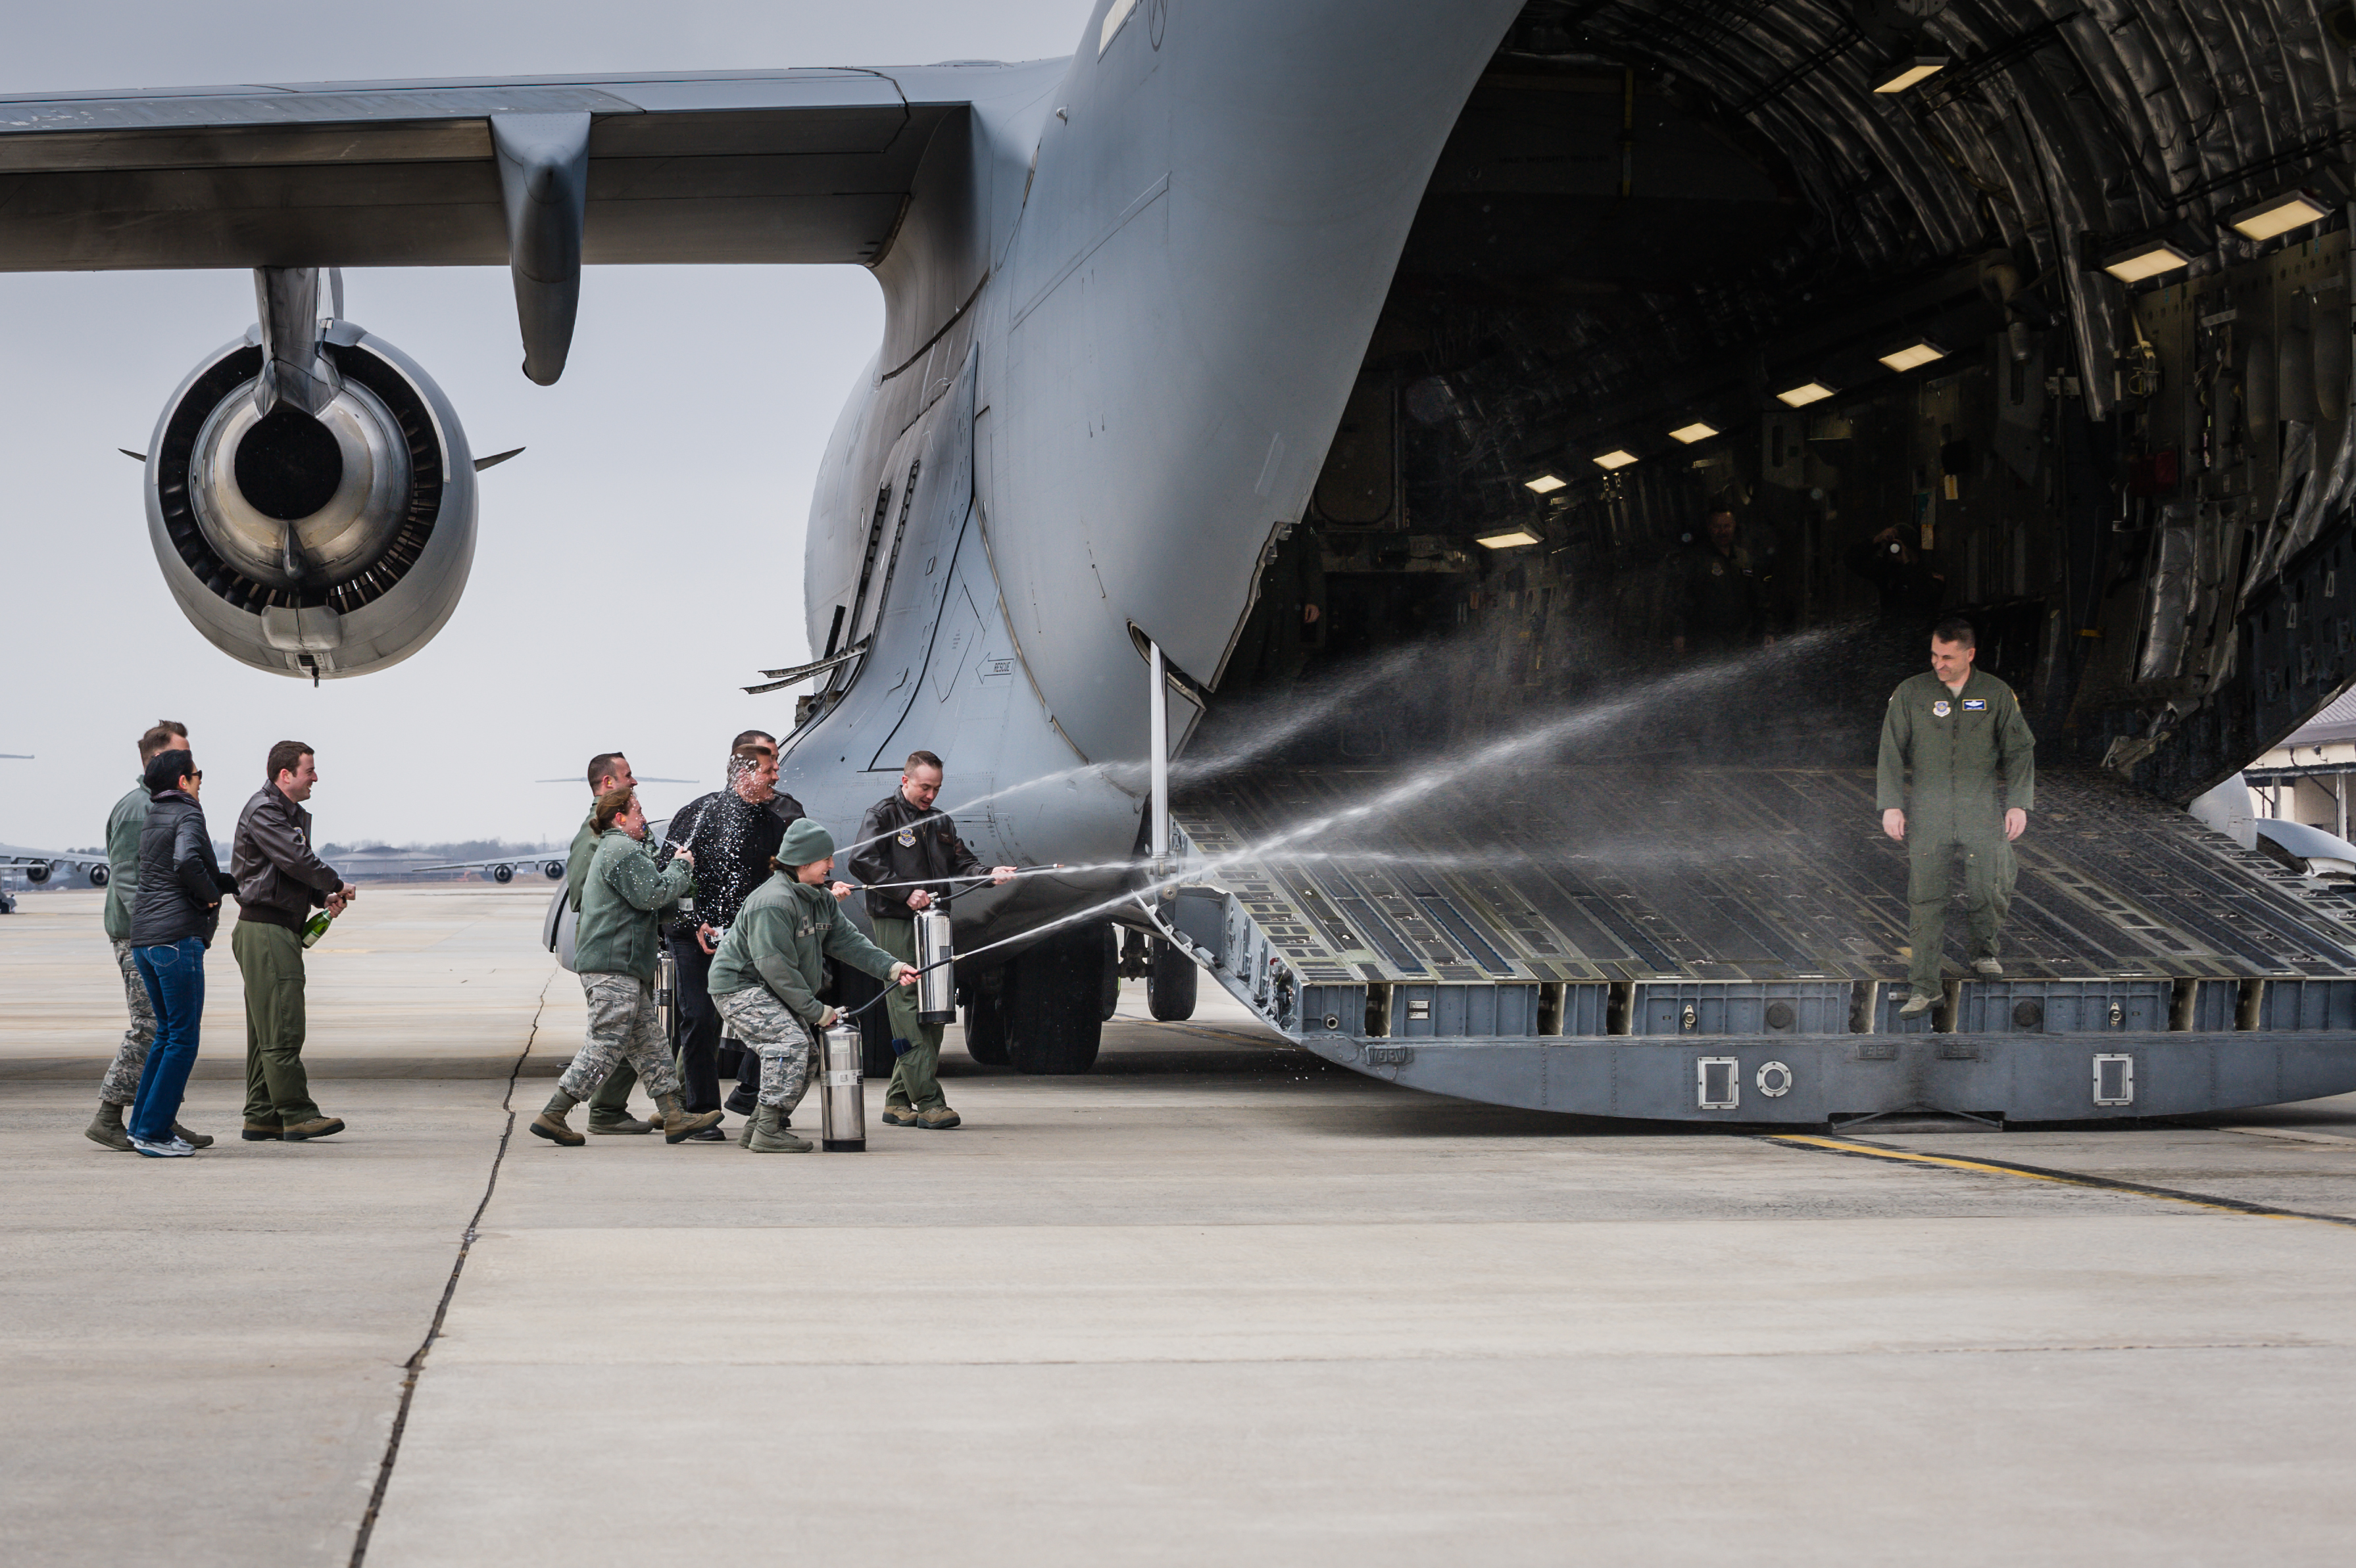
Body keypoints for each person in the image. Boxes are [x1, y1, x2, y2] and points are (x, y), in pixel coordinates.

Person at [710, 819, 916, 1152]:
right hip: (740, 988)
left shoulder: (820, 899)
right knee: (790, 1045)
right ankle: (768, 1131)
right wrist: (817, 1011)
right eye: (826, 859)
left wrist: (892, 968)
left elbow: (849, 942)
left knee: (806, 1055)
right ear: (804, 862)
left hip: (770, 988)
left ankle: (761, 1127)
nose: (832, 866)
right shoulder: (774, 902)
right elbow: (776, 968)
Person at [532, 789, 725, 1146]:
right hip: (613, 965)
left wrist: (686, 904)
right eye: (638, 811)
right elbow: (651, 895)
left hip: (622, 963)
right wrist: (682, 867)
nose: (644, 819)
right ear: (620, 817)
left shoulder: (618, 849)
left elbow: (648, 904)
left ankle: (674, 1116)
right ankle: (555, 1113)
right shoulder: (621, 849)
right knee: (606, 1044)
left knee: (651, 1045)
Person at [1877, 618, 2036, 1016]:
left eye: (1948, 657)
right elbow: (1890, 751)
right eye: (1934, 655)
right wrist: (1891, 805)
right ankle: (1924, 987)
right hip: (1929, 814)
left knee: (1989, 887)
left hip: (1980, 812)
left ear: (1970, 655)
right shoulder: (1911, 693)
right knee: (1926, 899)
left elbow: (2019, 750)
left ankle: (1984, 951)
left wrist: (2018, 802)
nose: (1939, 664)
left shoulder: (1996, 694)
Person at [850, 750, 1016, 1129]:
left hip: (935, 921)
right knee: (908, 1004)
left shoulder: (940, 821)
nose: (931, 795)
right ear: (906, 780)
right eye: (925, 787)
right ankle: (928, 1100)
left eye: (937, 788)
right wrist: (905, 892)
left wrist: (990, 874)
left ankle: (896, 1100)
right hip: (897, 920)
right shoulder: (883, 815)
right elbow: (862, 859)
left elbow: (961, 863)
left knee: (936, 1006)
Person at [658, 742, 793, 1137]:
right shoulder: (696, 815)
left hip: (743, 938)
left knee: (769, 1016)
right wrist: (697, 920)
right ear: (744, 773)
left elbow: (780, 880)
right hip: (691, 934)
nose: (776, 777)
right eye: (769, 770)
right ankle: (701, 1111)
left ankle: (763, 1105)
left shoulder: (771, 822)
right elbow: (671, 874)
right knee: (700, 1018)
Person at [87, 721, 208, 1151]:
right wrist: (161, 928)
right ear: (160, 759)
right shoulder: (137, 808)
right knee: (153, 1026)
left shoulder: (160, 804)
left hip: (157, 931)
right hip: (144, 934)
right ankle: (109, 1115)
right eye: (184, 755)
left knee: (167, 1027)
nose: (192, 765)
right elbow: (125, 876)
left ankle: (161, 1117)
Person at [229, 741, 355, 1143]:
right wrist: (334, 883)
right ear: (285, 775)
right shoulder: (266, 811)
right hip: (266, 932)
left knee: (264, 1031)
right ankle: (298, 1114)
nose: (315, 777)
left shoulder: (281, 813)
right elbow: (297, 861)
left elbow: (286, 871)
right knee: (283, 1025)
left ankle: (262, 1114)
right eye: (309, 770)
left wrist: (322, 898)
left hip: (271, 927)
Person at [122, 747, 238, 1156]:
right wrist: (209, 897)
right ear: (182, 782)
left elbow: (164, 869)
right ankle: (154, 1133)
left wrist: (222, 882)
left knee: (167, 1035)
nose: (201, 780)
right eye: (197, 774)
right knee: (183, 1039)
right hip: (175, 938)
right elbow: (187, 861)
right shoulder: (188, 812)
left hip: (145, 940)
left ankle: (140, 1127)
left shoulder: (153, 815)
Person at [565, 751, 663, 1135]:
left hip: (630, 948)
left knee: (639, 1034)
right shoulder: (596, 836)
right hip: (614, 952)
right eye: (627, 775)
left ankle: (621, 1109)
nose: (634, 781)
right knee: (614, 1037)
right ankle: (570, 1111)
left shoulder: (621, 831)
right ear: (608, 783)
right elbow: (581, 895)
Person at [1229, 522, 1326, 687]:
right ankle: (1239, 696)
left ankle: (1272, 698)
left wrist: (1314, 598)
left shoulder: (1298, 519)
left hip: (1285, 593)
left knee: (1279, 652)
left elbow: (1310, 557)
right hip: (1250, 591)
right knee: (1246, 651)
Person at [1671, 508, 1771, 656]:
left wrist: (1767, 631)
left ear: (1734, 526)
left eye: (1727, 526)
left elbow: (1759, 598)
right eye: (1717, 527)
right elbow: (1683, 598)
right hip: (1709, 640)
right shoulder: (1696, 560)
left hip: (1742, 638)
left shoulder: (1744, 558)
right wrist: (1679, 633)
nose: (1722, 531)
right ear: (1710, 528)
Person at [1846, 524, 1947, 625]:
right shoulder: (1888, 571)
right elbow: (1851, 560)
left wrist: (1907, 563)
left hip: (1918, 634)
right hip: (1890, 634)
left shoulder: (1928, 574)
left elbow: (1925, 599)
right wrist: (1875, 541)